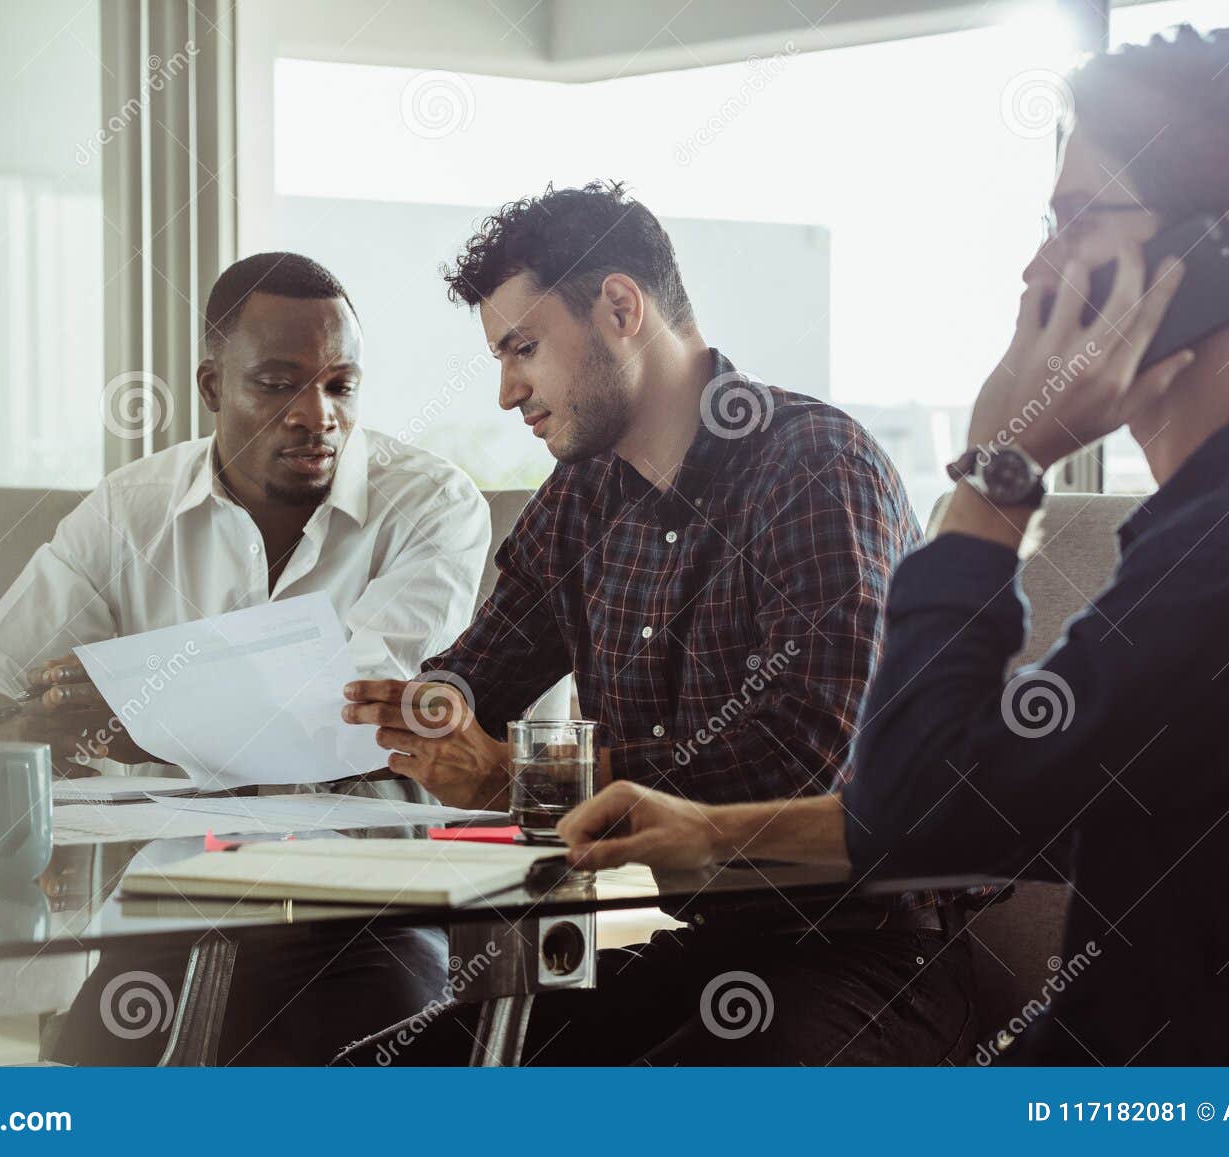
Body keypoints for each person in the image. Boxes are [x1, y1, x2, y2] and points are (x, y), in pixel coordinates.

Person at [556, 25, 1229, 1066]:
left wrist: (999, 474)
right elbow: (1008, 802)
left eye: (1077, 219)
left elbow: (920, 805)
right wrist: (717, 832)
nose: (1038, 264)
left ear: (1222, 250)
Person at [338, 181, 978, 1065]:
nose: (506, 389)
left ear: (619, 307)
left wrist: (521, 781)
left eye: (522, 347)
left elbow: (808, 756)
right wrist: (421, 708)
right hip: (702, 943)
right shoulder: (584, 495)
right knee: (388, 1080)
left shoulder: (816, 466)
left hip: (863, 953)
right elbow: (483, 669)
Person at [0, 251, 491, 1064]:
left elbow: (352, 697)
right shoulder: (132, 509)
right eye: (277, 383)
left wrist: (140, 715)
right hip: (174, 897)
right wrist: (21, 734)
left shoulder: (434, 506)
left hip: (374, 899)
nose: (317, 415)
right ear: (209, 387)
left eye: (340, 385)